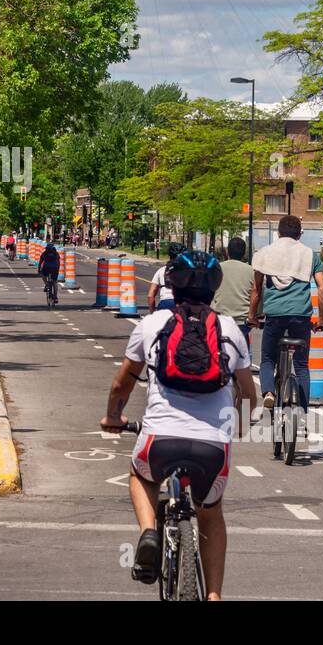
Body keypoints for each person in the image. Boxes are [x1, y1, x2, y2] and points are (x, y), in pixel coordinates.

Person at [101, 250, 256, 599]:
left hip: (159, 439)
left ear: (173, 285)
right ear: (214, 289)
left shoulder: (152, 324)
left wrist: (113, 417)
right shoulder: (230, 329)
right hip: (212, 446)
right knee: (211, 514)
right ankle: (214, 595)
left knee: (141, 476)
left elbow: (122, 383)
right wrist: (239, 428)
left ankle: (148, 533)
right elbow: (248, 394)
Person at [248, 216, 323, 414]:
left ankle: (268, 393)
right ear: (299, 234)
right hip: (301, 316)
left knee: (268, 359)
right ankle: (302, 413)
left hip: (274, 315)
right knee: (301, 365)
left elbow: (256, 290)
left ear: (278, 233)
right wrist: (322, 320)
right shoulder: (309, 255)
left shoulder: (264, 253)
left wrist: (252, 316)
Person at [211, 236, 254, 346]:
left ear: (227, 251)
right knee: (243, 349)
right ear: (244, 253)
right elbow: (256, 293)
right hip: (242, 320)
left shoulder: (217, 268)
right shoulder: (250, 271)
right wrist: (255, 315)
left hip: (220, 318)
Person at [147, 242, 185, 312]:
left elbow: (150, 295)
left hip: (165, 304)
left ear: (169, 255)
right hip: (182, 305)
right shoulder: (188, 271)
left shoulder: (161, 271)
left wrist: (153, 313)